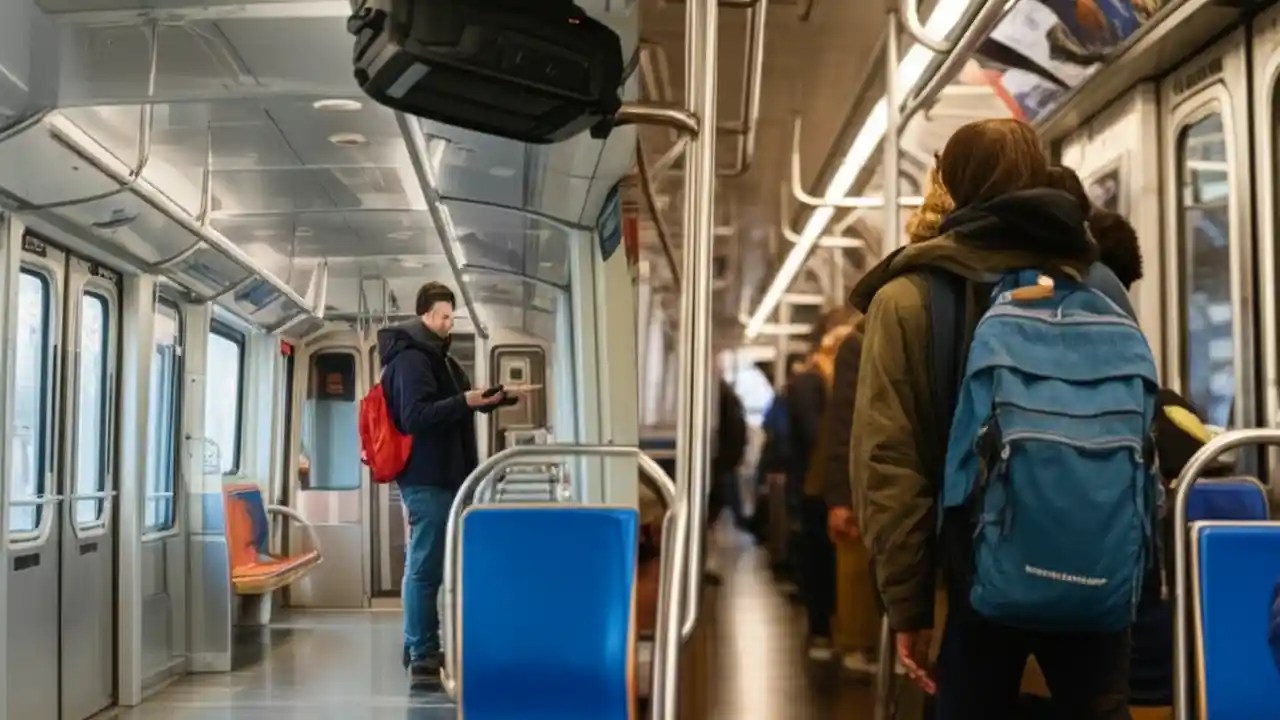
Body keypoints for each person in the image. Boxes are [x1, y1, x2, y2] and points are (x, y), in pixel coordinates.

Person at [850, 119, 1134, 718]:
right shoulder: (1100, 284)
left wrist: (909, 606)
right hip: (1097, 557)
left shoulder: (909, 298)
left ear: (951, 185)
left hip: (975, 573)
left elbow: (890, 461)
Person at [377, 282, 507, 679]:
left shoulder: (442, 360)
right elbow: (415, 415)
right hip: (428, 477)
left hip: (449, 476)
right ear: (425, 316)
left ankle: (421, 643)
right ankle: (422, 652)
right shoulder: (413, 360)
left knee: (433, 563)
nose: (449, 324)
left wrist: (492, 400)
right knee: (425, 566)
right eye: (444, 316)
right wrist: (464, 401)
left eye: (453, 316)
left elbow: (451, 407)